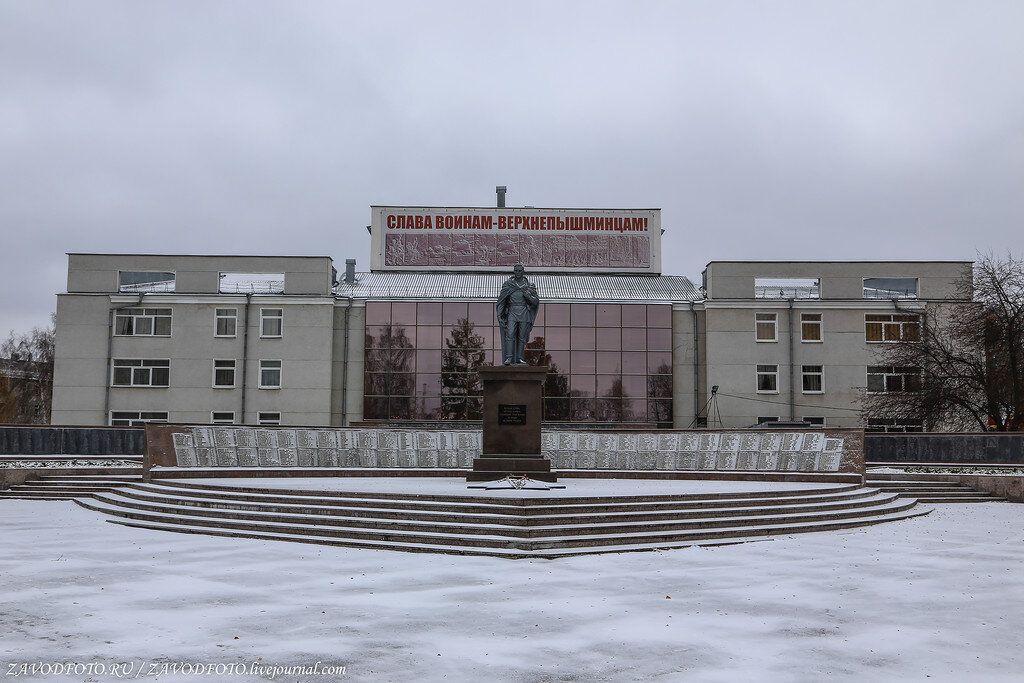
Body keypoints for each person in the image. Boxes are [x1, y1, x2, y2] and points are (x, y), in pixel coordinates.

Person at [496, 264, 540, 365]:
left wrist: (528, 295)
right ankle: (509, 358)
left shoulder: (529, 285)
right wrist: (499, 315)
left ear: (523, 271)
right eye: (516, 271)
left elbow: (535, 302)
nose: (518, 273)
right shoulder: (508, 284)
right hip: (512, 311)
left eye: (520, 271)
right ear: (514, 271)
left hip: (524, 312)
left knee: (521, 337)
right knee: (510, 334)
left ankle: (520, 358)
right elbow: (502, 301)